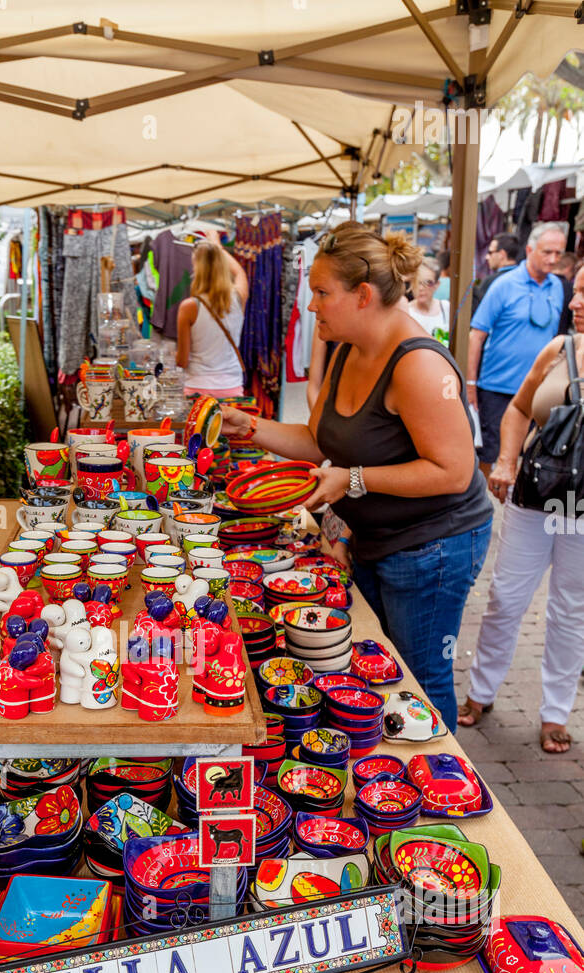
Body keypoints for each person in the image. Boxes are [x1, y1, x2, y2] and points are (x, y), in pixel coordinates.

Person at [220, 221, 492, 733]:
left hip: (433, 545)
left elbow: (454, 472)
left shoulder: (418, 366)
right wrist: (252, 427)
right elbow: (327, 442)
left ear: (363, 294)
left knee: (420, 677)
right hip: (377, 538)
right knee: (378, 662)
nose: (313, 306)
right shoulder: (347, 348)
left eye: (322, 293)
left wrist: (355, 481)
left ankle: (443, 790)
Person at [458, 265, 584, 754]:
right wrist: (506, 459)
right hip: (537, 494)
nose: (573, 302)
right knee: (506, 597)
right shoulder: (559, 351)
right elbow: (516, 409)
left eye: (583, 294)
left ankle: (555, 713)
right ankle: (481, 693)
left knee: (571, 610)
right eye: (574, 291)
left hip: (580, 504)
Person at [467, 222, 567, 468]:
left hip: (537, 390)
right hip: (497, 389)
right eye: (547, 252)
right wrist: (471, 385)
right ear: (530, 249)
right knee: (492, 457)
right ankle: (490, 506)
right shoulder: (504, 284)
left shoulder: (558, 287)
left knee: (531, 456)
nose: (553, 259)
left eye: (559, 253)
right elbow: (476, 335)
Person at [176, 230, 249, 397]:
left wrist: (170, 354)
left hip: (197, 387)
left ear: (197, 269)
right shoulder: (238, 298)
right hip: (231, 386)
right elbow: (239, 272)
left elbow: (182, 360)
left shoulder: (189, 307)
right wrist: (217, 246)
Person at [472, 232, 520, 311]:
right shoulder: (524, 278)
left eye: (490, 252)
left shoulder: (491, 281)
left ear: (502, 254)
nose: (487, 257)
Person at [406, 259, 450, 339]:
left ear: (437, 285)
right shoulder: (406, 312)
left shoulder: (446, 307)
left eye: (428, 282)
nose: (421, 288)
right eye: (417, 282)